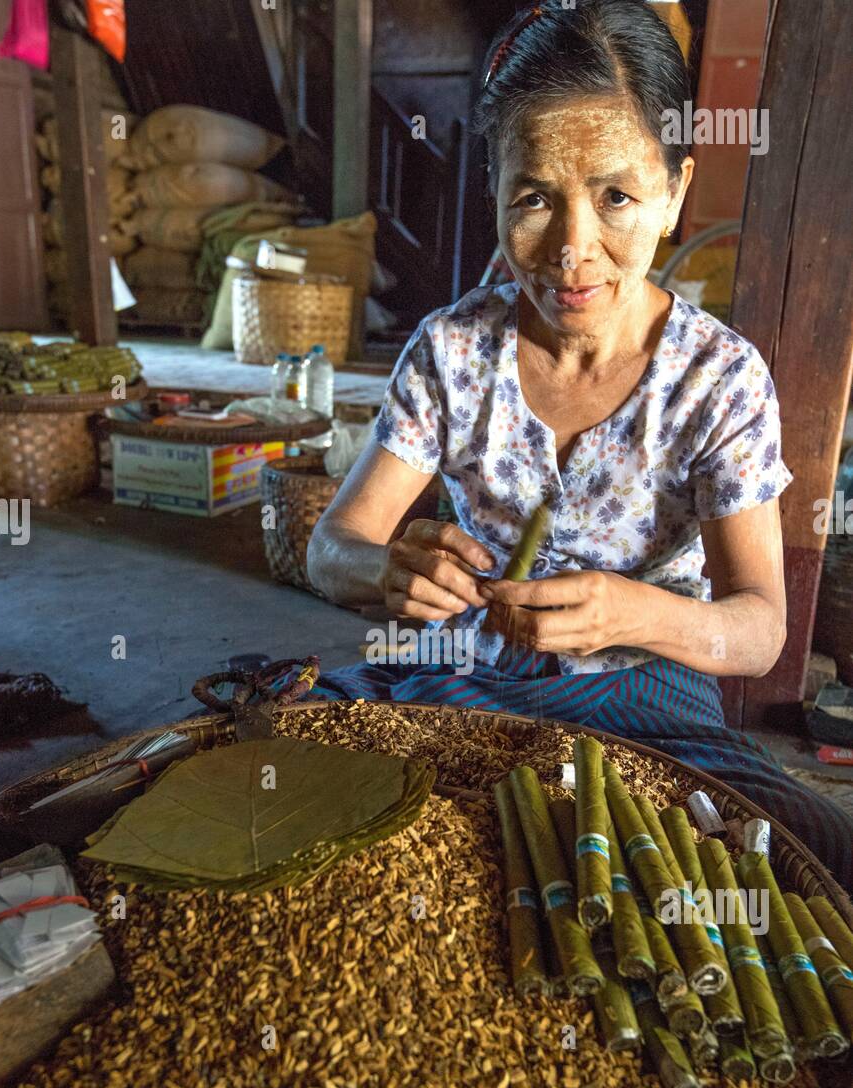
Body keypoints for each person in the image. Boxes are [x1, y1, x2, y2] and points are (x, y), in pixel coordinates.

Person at [303, 0, 853, 894]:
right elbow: (332, 550)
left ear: (675, 192)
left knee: (815, 849)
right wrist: (386, 572)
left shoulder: (717, 379)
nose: (572, 248)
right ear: (494, 192)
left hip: (651, 707)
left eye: (616, 197)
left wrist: (632, 613)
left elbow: (759, 631)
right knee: (268, 757)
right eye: (533, 198)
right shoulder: (452, 352)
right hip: (459, 677)